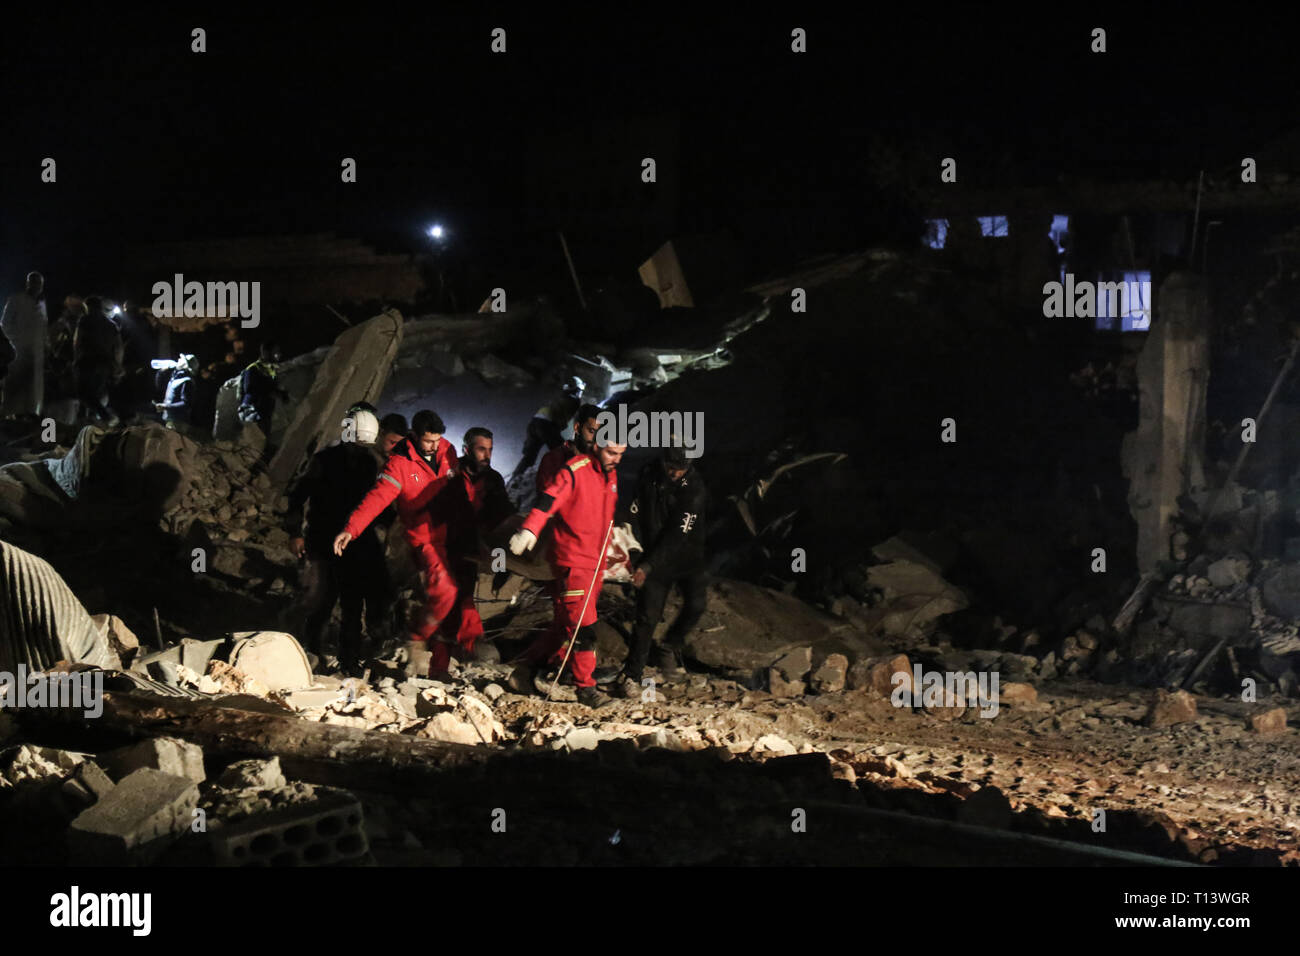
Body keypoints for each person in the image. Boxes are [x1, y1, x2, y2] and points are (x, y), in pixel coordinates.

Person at [333, 409, 460, 679]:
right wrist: (351, 529)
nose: (434, 446)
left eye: (437, 441)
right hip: (422, 538)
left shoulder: (447, 451)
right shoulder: (399, 464)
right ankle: (412, 638)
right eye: (428, 442)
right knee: (444, 590)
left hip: (452, 533)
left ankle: (440, 665)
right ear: (415, 436)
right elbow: (377, 498)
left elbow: (460, 490)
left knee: (458, 597)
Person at [507, 436, 625, 708]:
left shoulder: (611, 474)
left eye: (620, 453)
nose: (615, 458)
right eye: (610, 452)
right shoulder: (576, 469)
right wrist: (530, 528)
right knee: (584, 626)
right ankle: (585, 688)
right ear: (596, 446)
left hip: (594, 563)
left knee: (564, 624)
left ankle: (524, 670)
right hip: (573, 561)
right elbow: (549, 499)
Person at [284, 408, 393, 676]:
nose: (360, 448)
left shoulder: (370, 463)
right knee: (322, 599)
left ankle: (348, 661)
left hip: (354, 542)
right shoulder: (324, 461)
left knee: (352, 603)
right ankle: (307, 651)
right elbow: (298, 497)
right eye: (358, 443)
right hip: (323, 539)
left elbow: (376, 502)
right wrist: (295, 533)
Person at [610, 446, 709, 697]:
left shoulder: (695, 490)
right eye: (671, 467)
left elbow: (677, 535)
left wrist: (647, 565)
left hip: (686, 556)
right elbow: (634, 510)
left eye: (681, 469)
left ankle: (668, 647)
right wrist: (631, 549)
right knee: (647, 617)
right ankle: (632, 674)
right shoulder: (649, 474)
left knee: (696, 605)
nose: (675, 473)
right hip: (653, 553)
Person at [509, 374, 585, 481]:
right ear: (577, 390)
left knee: (529, 457)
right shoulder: (574, 401)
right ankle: (561, 479)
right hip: (547, 425)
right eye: (580, 391)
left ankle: (514, 479)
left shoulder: (560, 396)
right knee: (563, 453)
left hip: (535, 422)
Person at [0, 272, 48, 418]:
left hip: (36, 355)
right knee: (14, 392)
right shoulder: (15, 300)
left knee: (32, 395)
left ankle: (29, 419)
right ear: (28, 283)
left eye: (39, 283)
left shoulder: (41, 305)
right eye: (33, 282)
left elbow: (43, 329)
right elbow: (4, 324)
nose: (36, 286)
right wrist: (17, 341)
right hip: (18, 353)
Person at [73, 296, 123, 424]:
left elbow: (77, 342)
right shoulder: (112, 324)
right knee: (96, 394)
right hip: (105, 364)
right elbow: (118, 348)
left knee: (83, 393)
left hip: (87, 362)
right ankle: (89, 422)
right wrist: (116, 366)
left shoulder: (85, 320)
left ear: (89, 307)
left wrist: (76, 359)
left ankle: (106, 416)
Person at [535, 403, 602, 496]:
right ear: (577, 428)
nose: (595, 438)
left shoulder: (598, 463)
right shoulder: (553, 460)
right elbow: (546, 500)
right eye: (591, 431)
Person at [237, 342, 288, 431]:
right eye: (275, 352)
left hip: (263, 410)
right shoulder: (253, 368)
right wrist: (272, 392)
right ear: (266, 353)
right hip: (252, 411)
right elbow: (250, 389)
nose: (279, 355)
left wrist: (279, 393)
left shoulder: (270, 369)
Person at [154, 354, 198, 434]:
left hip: (178, 423)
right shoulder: (175, 378)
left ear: (185, 365)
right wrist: (160, 372)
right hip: (170, 420)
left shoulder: (187, 381)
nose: (178, 360)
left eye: (182, 360)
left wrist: (166, 406)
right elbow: (159, 387)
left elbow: (186, 403)